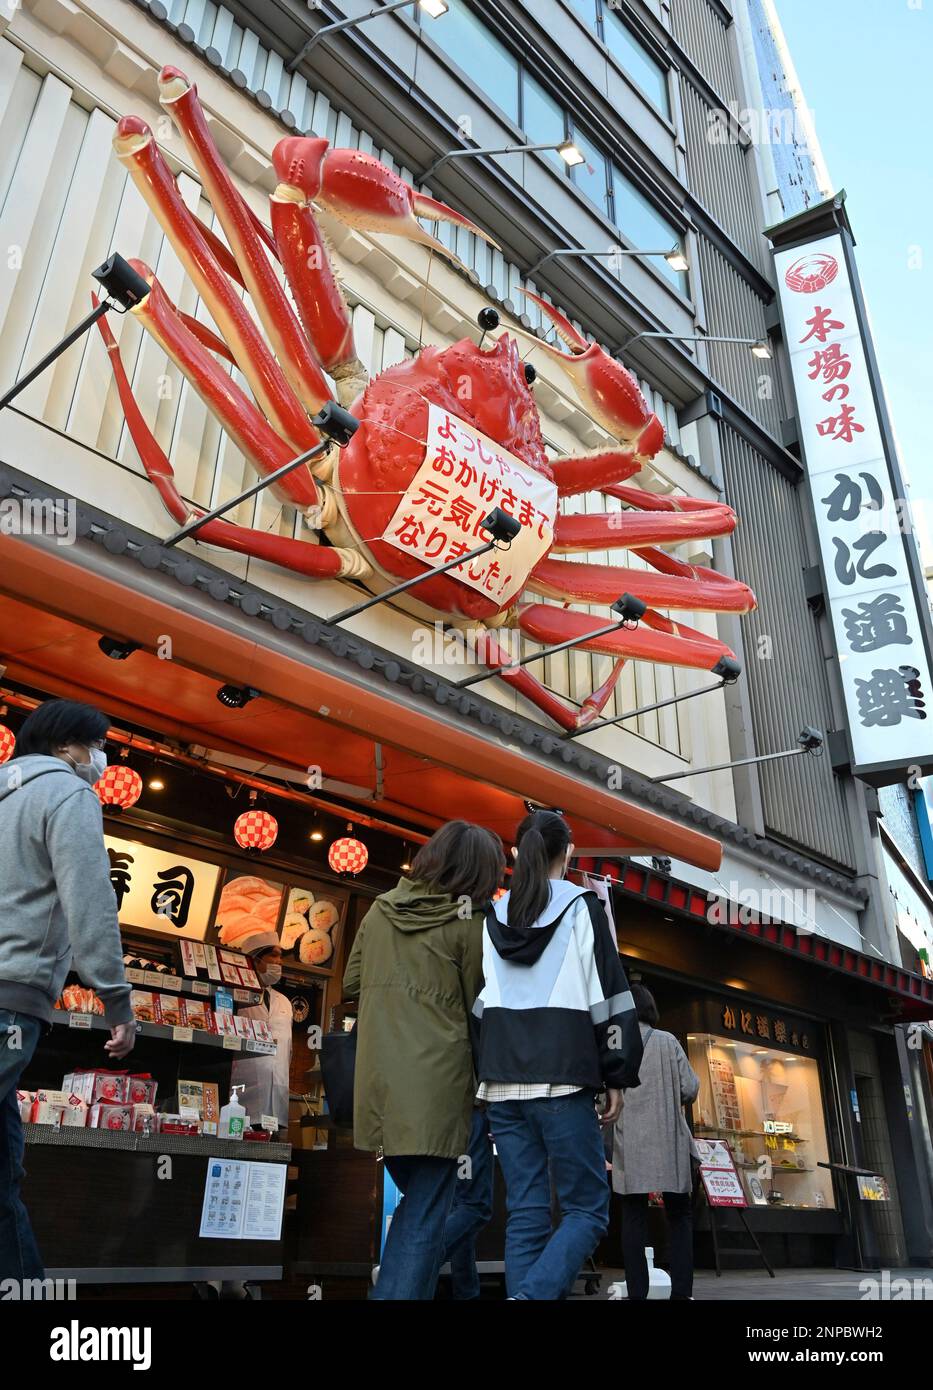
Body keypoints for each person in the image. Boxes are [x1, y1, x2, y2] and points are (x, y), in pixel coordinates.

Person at [474, 809, 642, 1301]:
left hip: (502, 1084)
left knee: (526, 1211)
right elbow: (609, 996)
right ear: (567, 853)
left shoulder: (493, 918)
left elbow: (482, 1004)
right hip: (564, 1080)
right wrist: (617, 1075)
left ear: (515, 853)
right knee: (587, 1210)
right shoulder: (583, 907)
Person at [0, 699, 135, 1283]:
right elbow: (90, 899)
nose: (100, 758)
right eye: (95, 746)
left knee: (3, 1169)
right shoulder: (68, 793)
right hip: (12, 992)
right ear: (65, 747)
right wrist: (116, 998)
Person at [343, 820, 504, 1301]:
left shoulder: (379, 910)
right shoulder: (470, 924)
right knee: (425, 1213)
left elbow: (351, 983)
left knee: (421, 1207)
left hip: (380, 1088)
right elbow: (485, 1002)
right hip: (437, 1089)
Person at [612, 982, 700, 1301]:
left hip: (630, 1142)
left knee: (633, 1216)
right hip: (669, 1140)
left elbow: (601, 1097)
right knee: (680, 1215)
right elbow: (689, 1089)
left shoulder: (616, 1044)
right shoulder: (667, 1041)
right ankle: (682, 1293)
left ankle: (638, 1292)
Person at [230, 936, 292, 1131]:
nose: (279, 962)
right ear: (255, 959)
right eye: (274, 955)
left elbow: (288, 1050)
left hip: (278, 1093)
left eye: (280, 957)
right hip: (243, 1091)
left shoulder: (284, 1002)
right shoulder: (236, 995)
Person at [438, 1105, 494, 1300]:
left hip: (441, 1114)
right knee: (474, 1206)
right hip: (467, 1112)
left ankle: (467, 1293)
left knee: (460, 1206)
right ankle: (412, 1263)